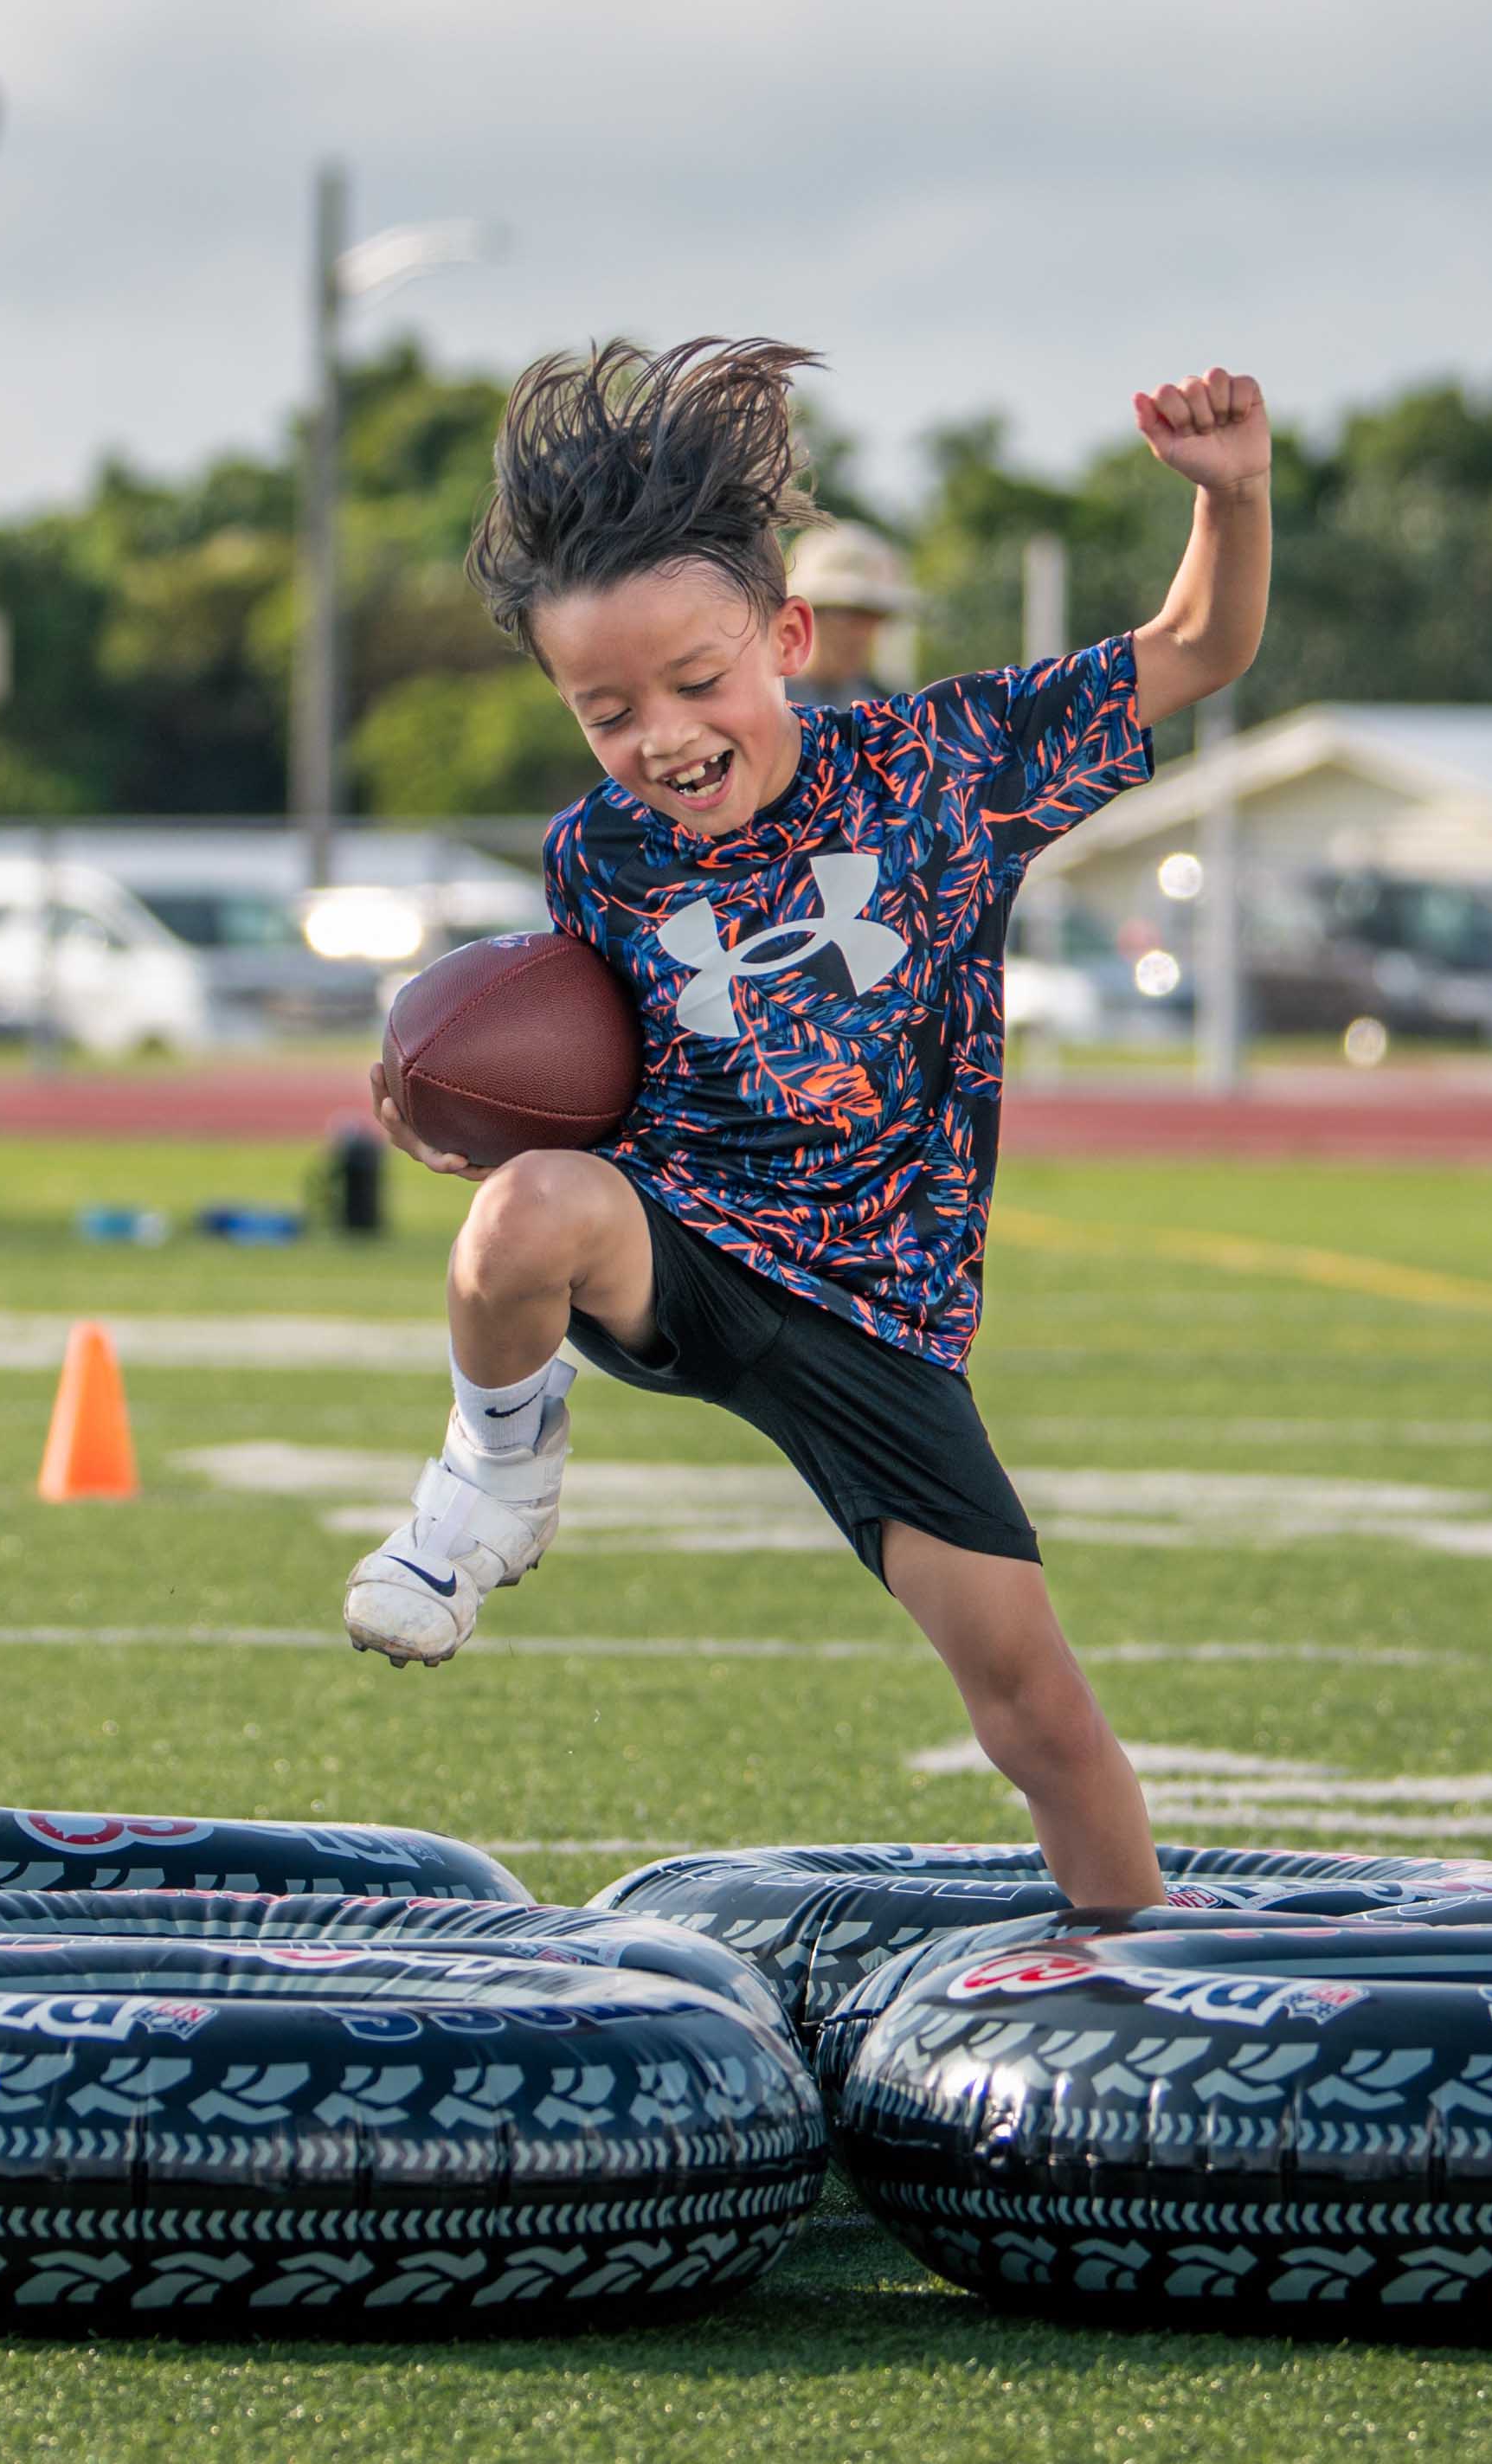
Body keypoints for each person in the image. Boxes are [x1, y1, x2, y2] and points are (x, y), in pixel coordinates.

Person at [352, 338, 1276, 1918]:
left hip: (879, 1319)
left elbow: (1196, 647)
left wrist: (1233, 496)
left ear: (785, 635)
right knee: (524, 1212)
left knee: (1032, 1712)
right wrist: (454, 1097)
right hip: (686, 1248)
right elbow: (584, 1066)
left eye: (696, 682)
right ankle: (489, 1483)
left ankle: (1139, 1997)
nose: (658, 735)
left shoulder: (935, 769)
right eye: (604, 709)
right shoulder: (601, 854)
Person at [782, 518, 915, 707]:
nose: (860, 633)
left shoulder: (891, 714)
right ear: (799, 616)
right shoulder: (757, 704)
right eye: (846, 615)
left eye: (872, 616)